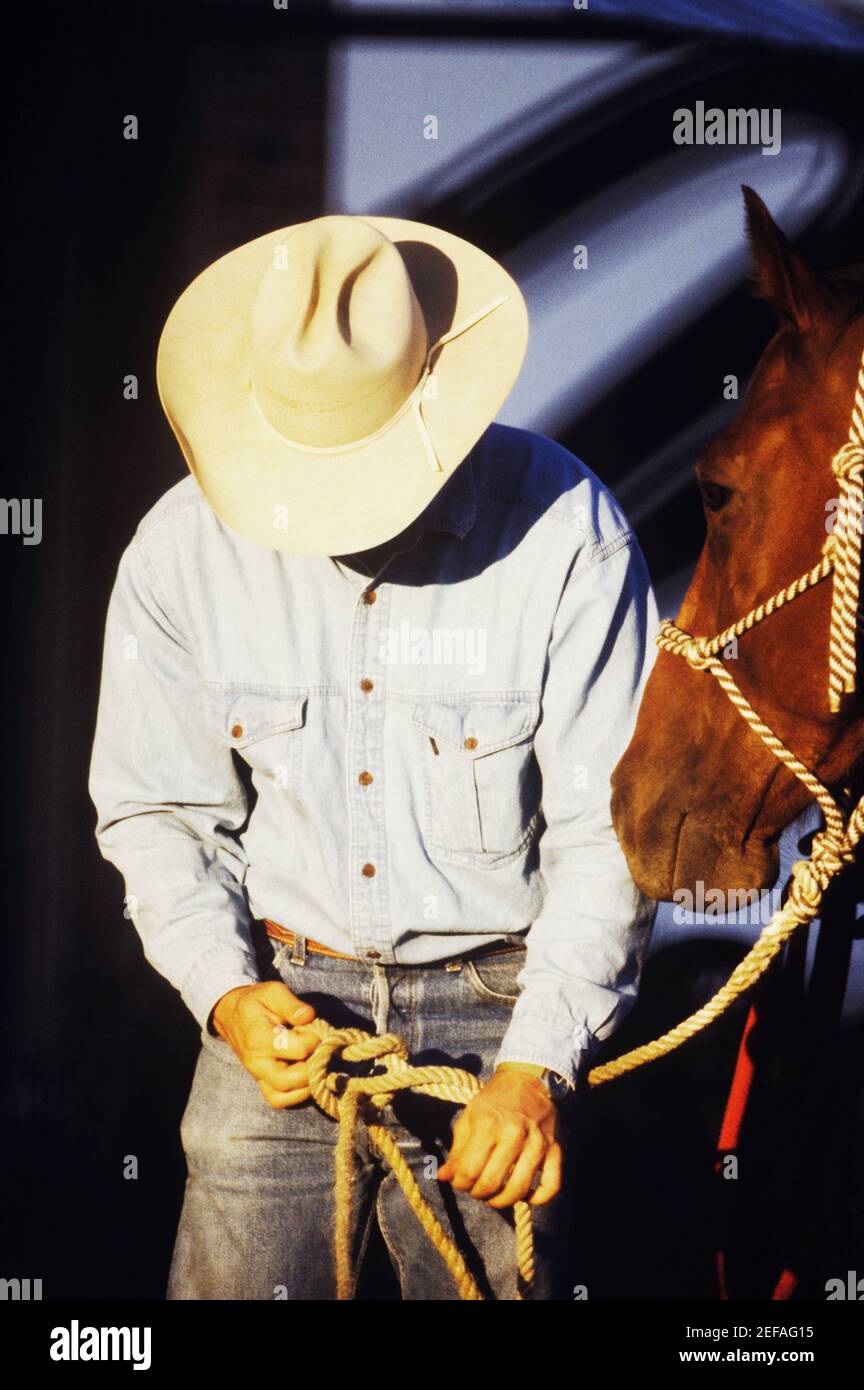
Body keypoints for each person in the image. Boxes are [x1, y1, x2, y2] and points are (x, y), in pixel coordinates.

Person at [88, 213, 658, 1300]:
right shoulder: (180, 552)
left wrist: (538, 1064)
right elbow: (158, 815)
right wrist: (227, 994)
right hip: (280, 1008)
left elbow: (609, 833)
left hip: (504, 1017)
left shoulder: (568, 535)